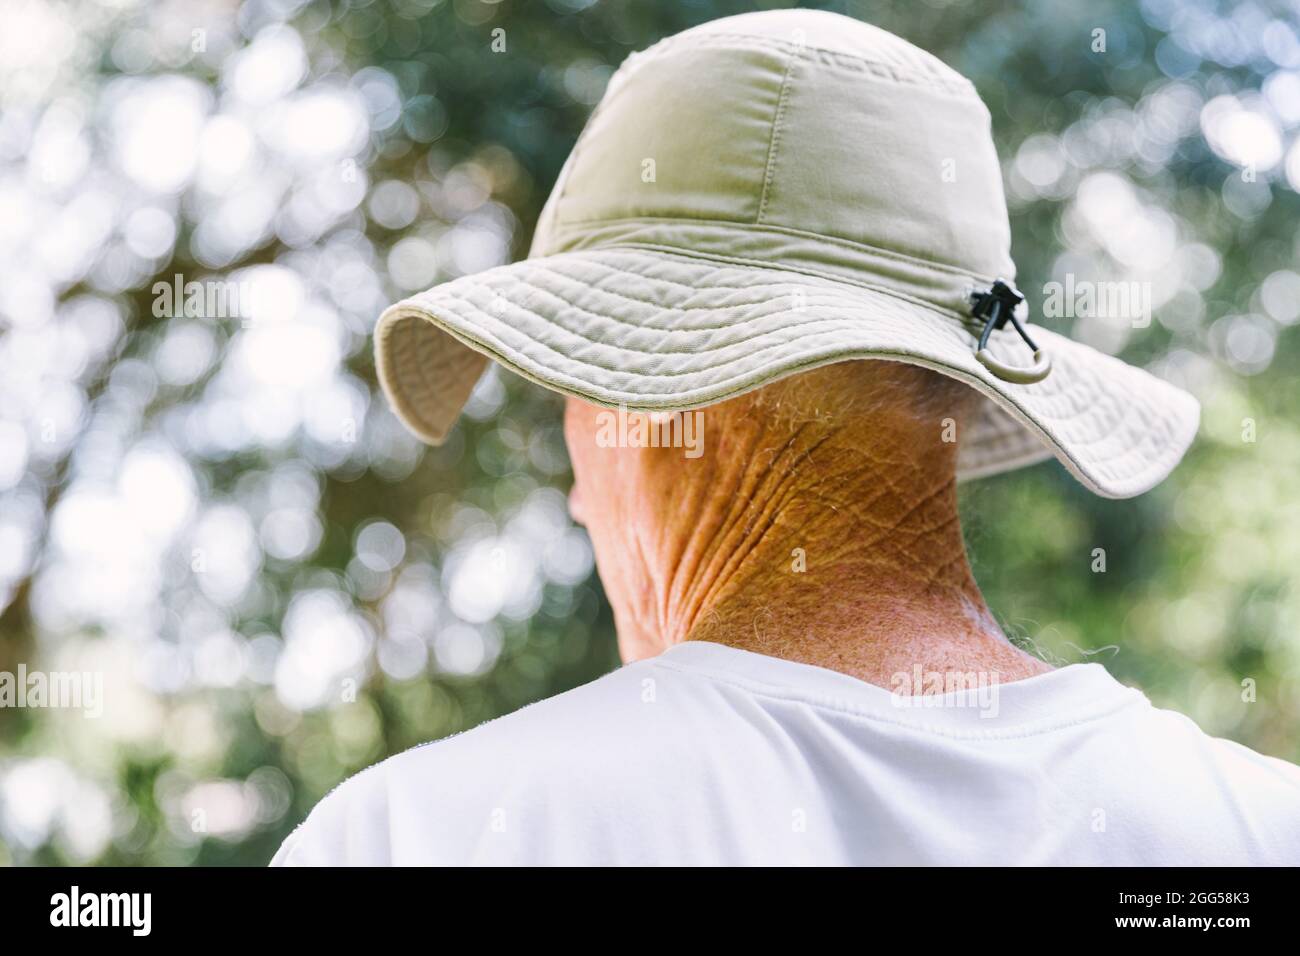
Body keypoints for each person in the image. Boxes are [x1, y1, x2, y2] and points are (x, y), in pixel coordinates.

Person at [273, 10, 1300, 865]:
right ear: (960, 396)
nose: (578, 492)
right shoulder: (1257, 828)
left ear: (656, 397)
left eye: (574, 389)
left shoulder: (417, 838)